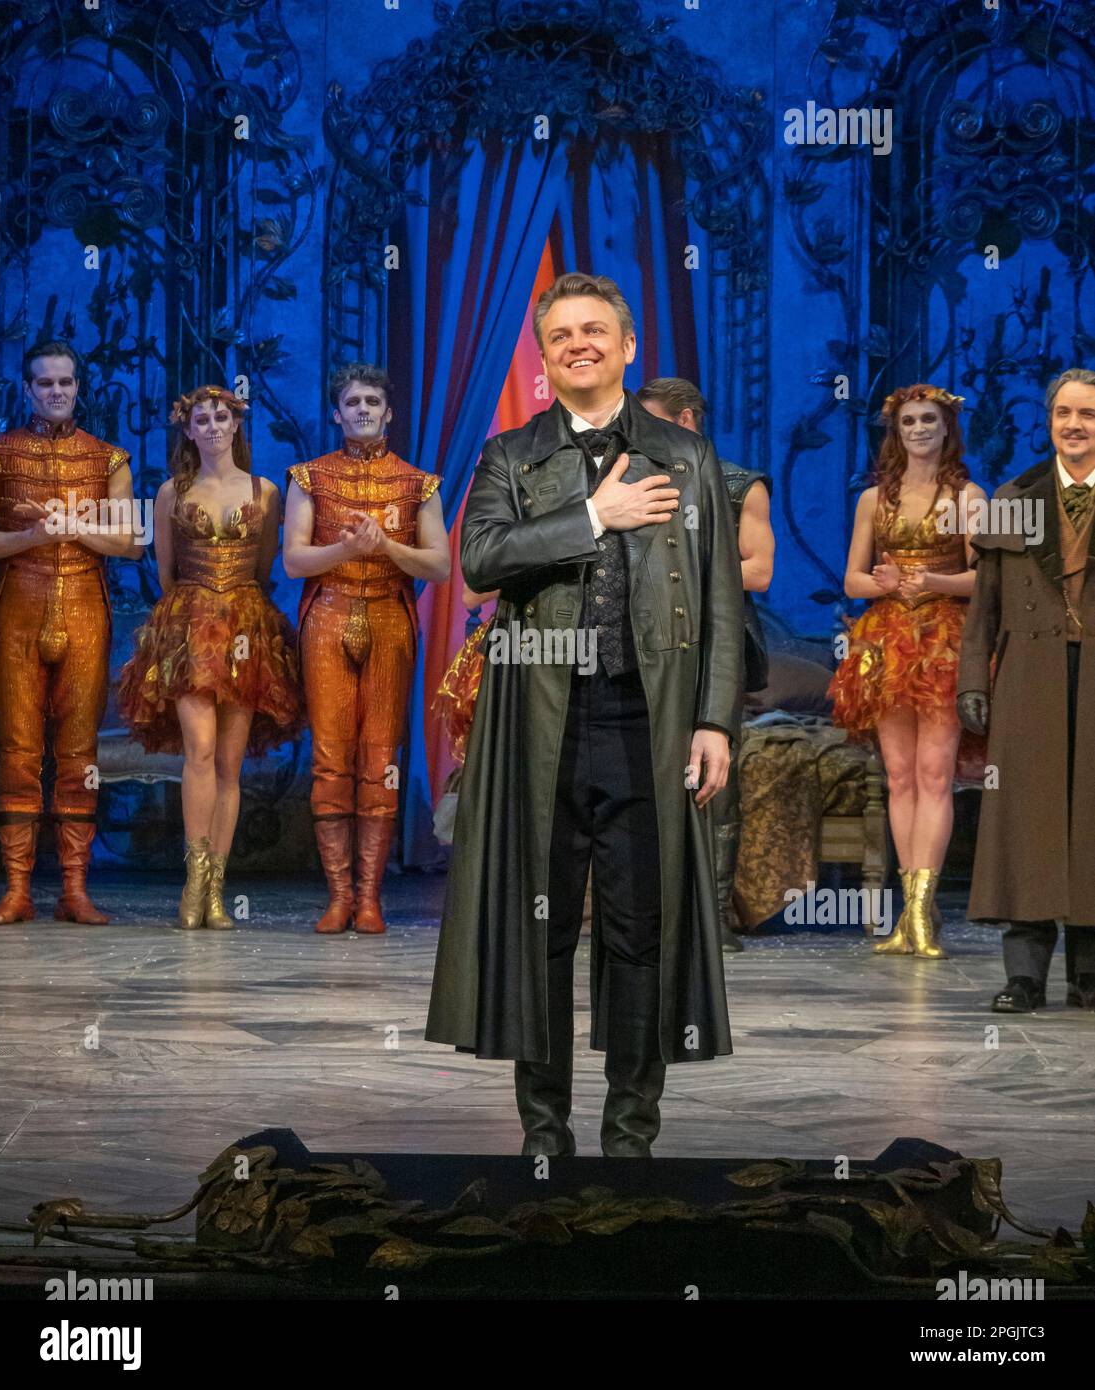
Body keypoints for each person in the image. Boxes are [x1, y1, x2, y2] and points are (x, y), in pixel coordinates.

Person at [425, 272, 746, 1158]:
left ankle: (631, 1133)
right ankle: (543, 1132)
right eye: (560, 333)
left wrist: (715, 721)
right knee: (542, 929)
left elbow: (720, 600)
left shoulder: (684, 458)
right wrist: (591, 516)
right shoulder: (508, 455)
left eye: (594, 330)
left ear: (627, 345)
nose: (578, 344)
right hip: (539, 721)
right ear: (544, 354)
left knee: (643, 928)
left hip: (648, 723)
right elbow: (481, 559)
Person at [117, 386, 301, 929]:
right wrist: (194, 611)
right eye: (203, 418)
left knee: (228, 762)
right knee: (197, 750)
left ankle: (216, 890)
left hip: (246, 626)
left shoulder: (265, 491)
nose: (214, 425)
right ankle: (192, 885)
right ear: (189, 429)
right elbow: (167, 572)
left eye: (223, 416)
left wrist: (236, 608)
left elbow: (266, 565)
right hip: (190, 625)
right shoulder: (172, 492)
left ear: (236, 424)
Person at [283, 365, 450, 934]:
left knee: (380, 760)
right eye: (351, 402)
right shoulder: (309, 477)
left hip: (389, 617)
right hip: (327, 614)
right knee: (331, 757)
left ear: (388, 413)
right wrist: (346, 548)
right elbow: (294, 561)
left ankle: (371, 897)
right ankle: (338, 897)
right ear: (336, 413)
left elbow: (440, 565)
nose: (361, 410)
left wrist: (385, 546)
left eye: (372, 401)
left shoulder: (417, 482)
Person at [828, 384, 986, 958]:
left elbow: (984, 578)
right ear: (896, 432)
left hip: (945, 641)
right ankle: (910, 912)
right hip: (887, 643)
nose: (918, 429)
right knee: (899, 776)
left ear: (948, 429)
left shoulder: (970, 496)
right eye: (908, 421)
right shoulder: (873, 500)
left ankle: (922, 909)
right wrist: (883, 584)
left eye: (929, 420)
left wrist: (935, 583)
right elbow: (852, 579)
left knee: (934, 773)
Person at [958, 367, 1095, 1013]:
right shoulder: (1014, 499)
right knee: (1026, 820)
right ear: (1048, 422)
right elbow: (981, 609)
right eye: (1063, 413)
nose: (1074, 425)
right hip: (1026, 679)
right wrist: (970, 682)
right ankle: (1024, 975)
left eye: (1087, 414)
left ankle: (1089, 974)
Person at [0, 340, 137, 924]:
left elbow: (128, 542)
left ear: (79, 388)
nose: (56, 392)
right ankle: (18, 888)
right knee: (18, 746)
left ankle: (75, 888)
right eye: (45, 383)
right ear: (27, 389)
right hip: (18, 601)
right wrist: (32, 538)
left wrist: (72, 527)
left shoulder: (108, 459)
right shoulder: (0, 454)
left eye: (65, 383)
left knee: (79, 749)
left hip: (84, 603)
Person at [637, 377, 774, 952]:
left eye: (652, 423)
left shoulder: (741, 484)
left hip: (716, 642)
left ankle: (714, 915)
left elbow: (759, 571)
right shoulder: (634, 485)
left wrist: (686, 578)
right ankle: (653, 912)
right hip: (649, 642)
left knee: (715, 775)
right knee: (642, 771)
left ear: (686, 420)